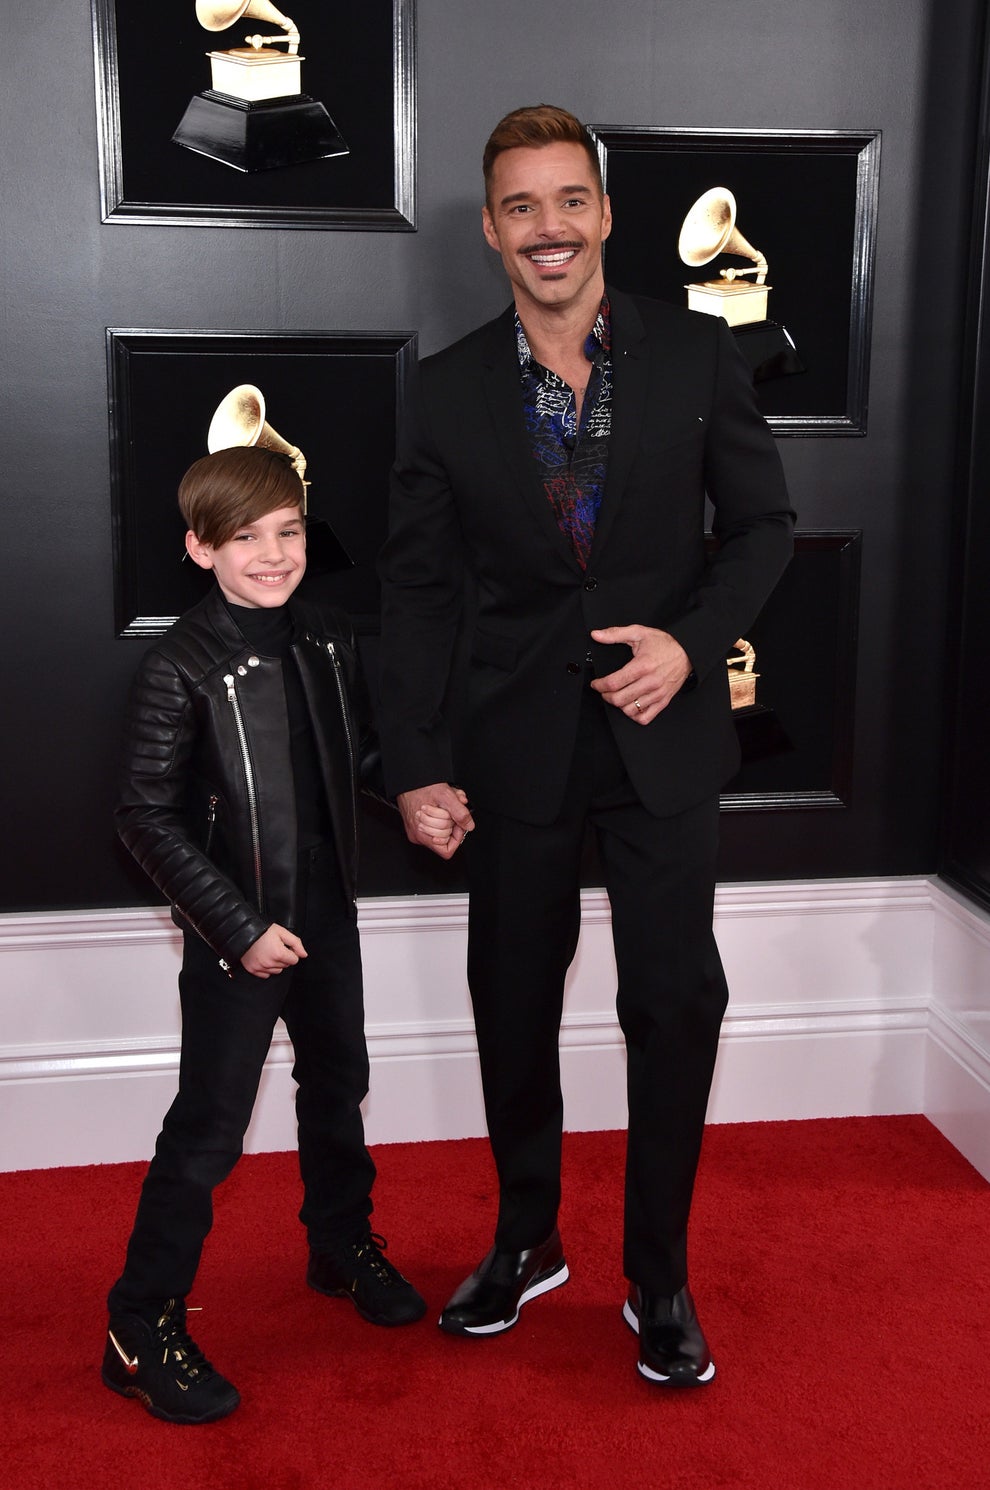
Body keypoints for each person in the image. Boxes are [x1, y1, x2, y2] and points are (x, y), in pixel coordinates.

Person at [377, 105, 795, 1387]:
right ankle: (525, 1239)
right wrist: (414, 759)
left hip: (661, 739)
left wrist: (689, 640)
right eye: (521, 207)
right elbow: (419, 595)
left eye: (571, 201)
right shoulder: (444, 389)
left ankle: (656, 1273)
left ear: (606, 214)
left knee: (675, 1003)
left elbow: (766, 524)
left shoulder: (696, 353)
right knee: (513, 999)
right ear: (493, 228)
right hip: (512, 748)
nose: (548, 228)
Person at [103, 445, 437, 1425]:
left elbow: (354, 752)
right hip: (235, 931)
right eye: (246, 537)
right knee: (208, 1129)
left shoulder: (326, 636)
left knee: (338, 1084)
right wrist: (240, 925)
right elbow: (144, 815)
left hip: (327, 909)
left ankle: (339, 1241)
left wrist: (412, 794)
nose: (273, 553)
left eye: (287, 532)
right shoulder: (180, 667)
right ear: (201, 549)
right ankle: (138, 1322)